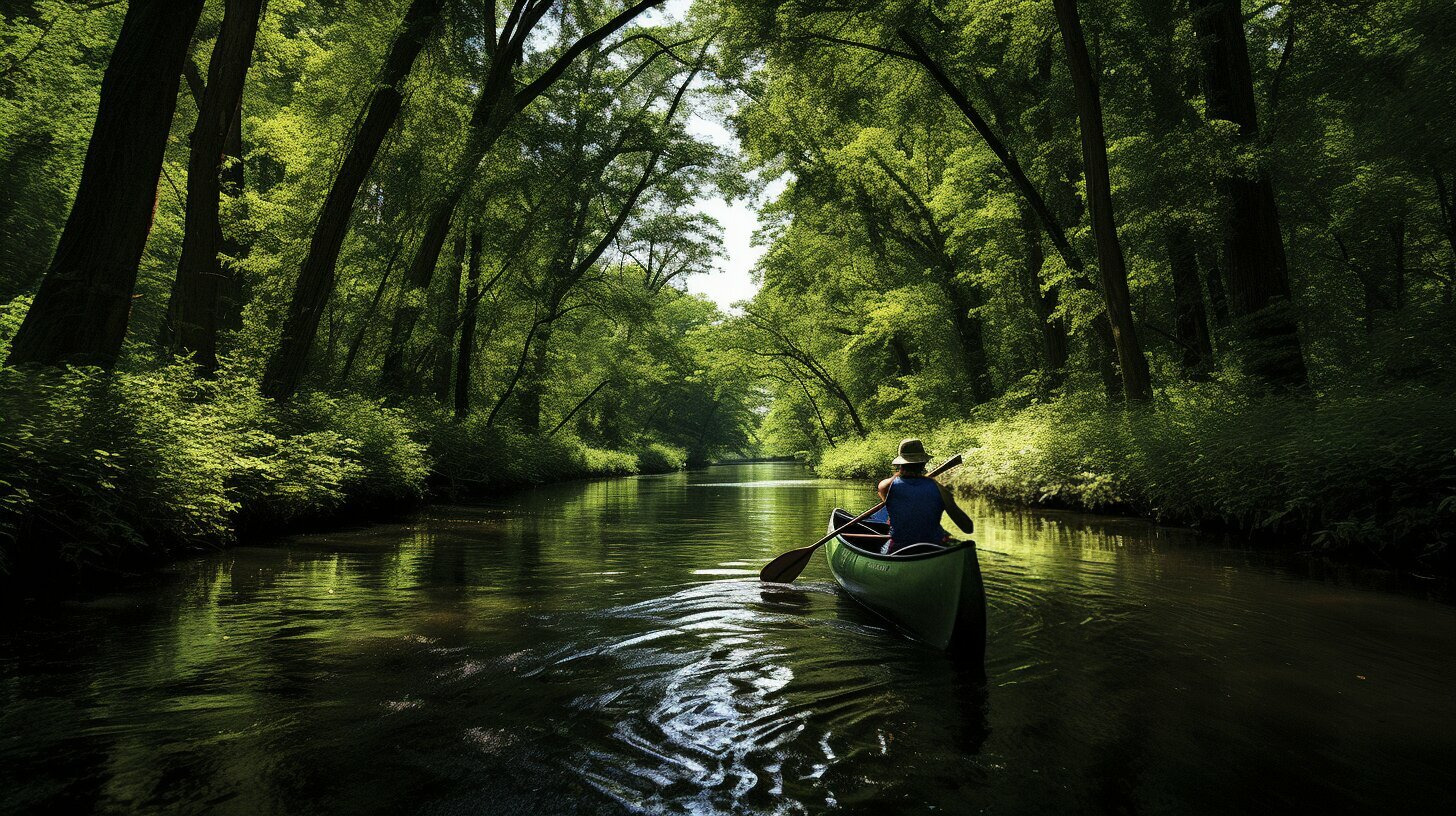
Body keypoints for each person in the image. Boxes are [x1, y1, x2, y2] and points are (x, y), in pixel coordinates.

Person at [876, 438, 974, 554]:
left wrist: (904, 475)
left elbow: (892, 489)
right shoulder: (940, 490)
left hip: (900, 550)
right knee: (947, 538)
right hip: (933, 550)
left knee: (881, 547)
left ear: (900, 464)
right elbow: (968, 528)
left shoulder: (886, 487)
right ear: (923, 464)